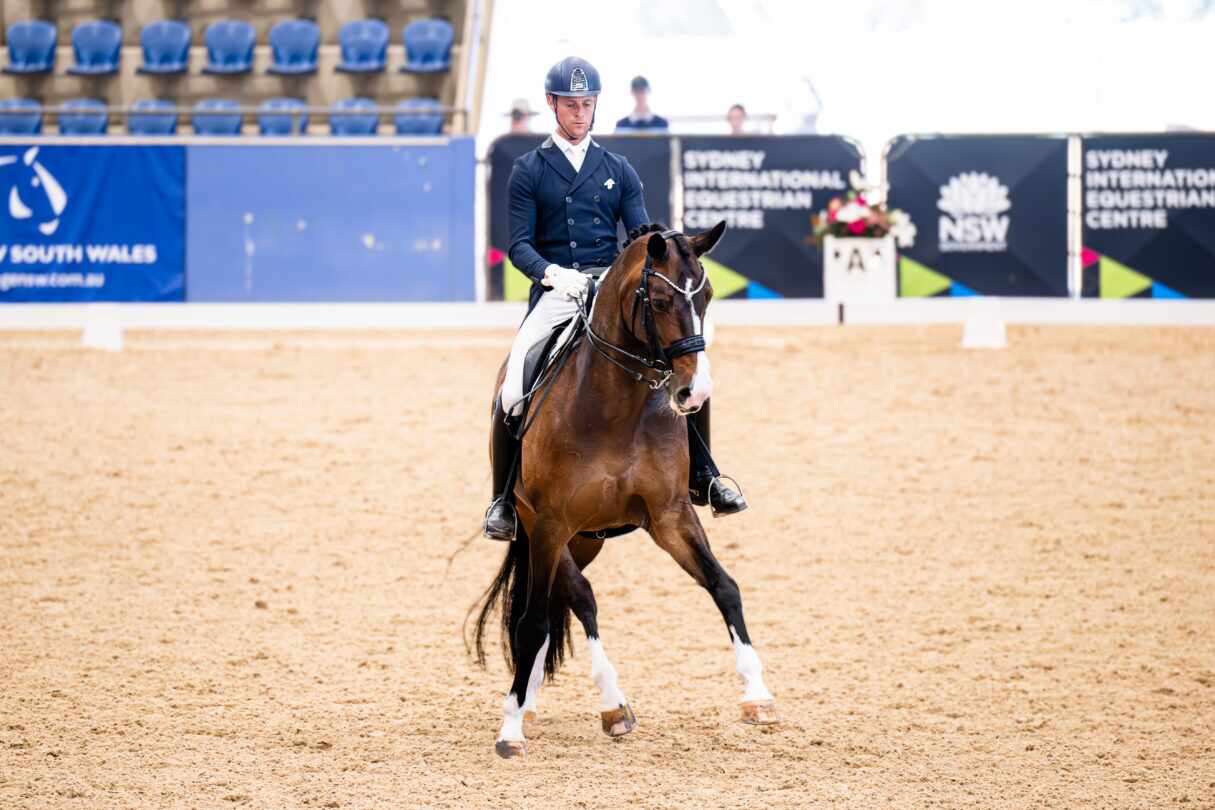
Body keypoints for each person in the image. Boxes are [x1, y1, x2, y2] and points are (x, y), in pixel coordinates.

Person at [483, 56, 747, 541]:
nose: (579, 113)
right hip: (557, 289)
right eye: (570, 105)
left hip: (611, 288)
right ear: (552, 105)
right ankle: (502, 499)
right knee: (514, 381)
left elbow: (642, 234)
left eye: (587, 104)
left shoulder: (617, 168)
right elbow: (518, 244)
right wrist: (552, 274)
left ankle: (706, 476)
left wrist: (660, 254)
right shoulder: (528, 169)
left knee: (685, 364)